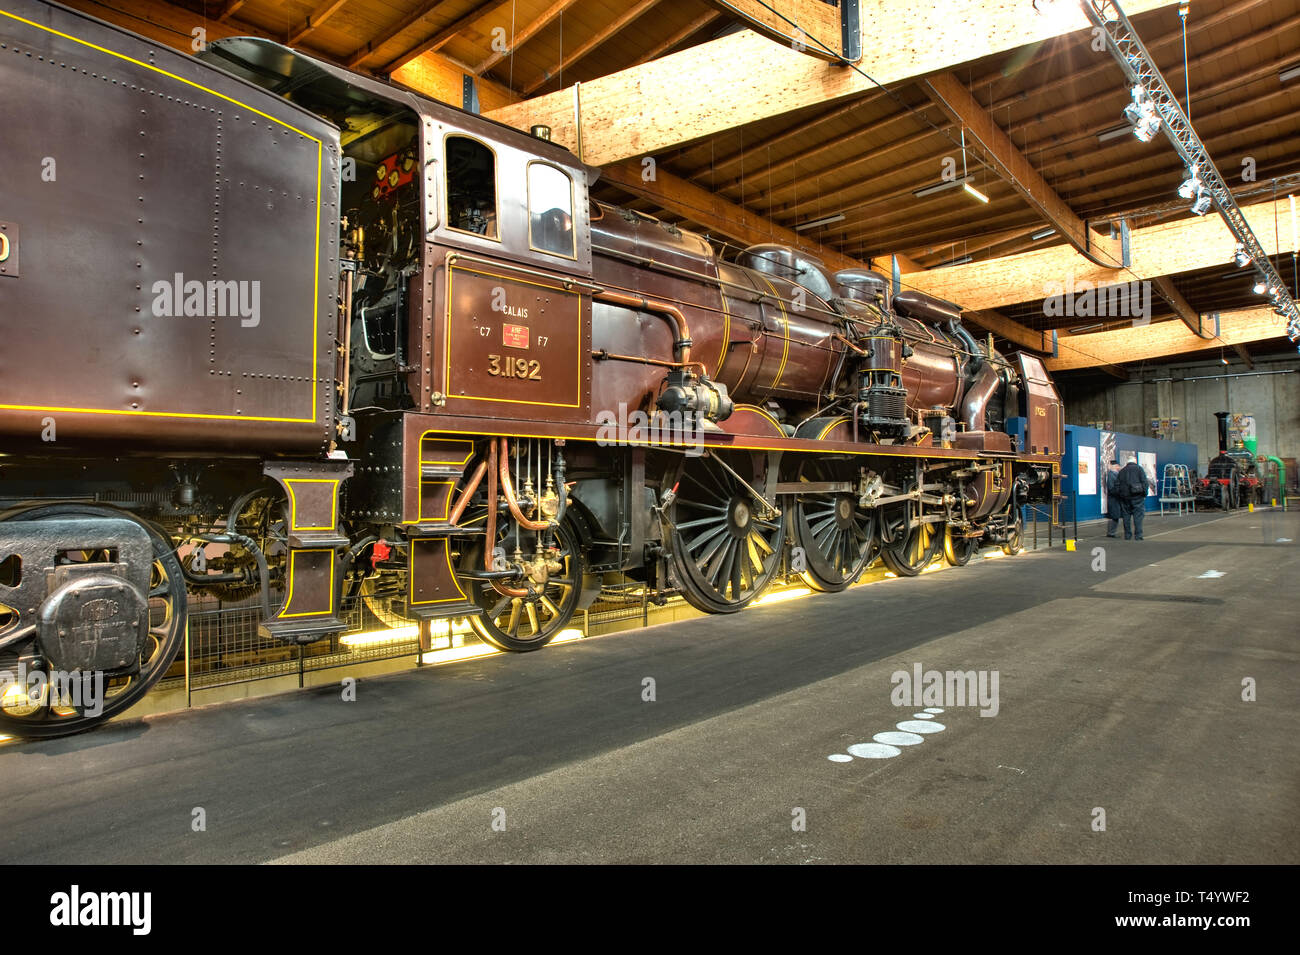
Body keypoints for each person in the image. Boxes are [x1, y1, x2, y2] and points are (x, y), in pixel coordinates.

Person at [1117, 458, 1155, 540]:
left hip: (1125, 498)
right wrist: (1144, 494)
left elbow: (1117, 484)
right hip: (1137, 496)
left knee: (1126, 517)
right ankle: (1138, 535)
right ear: (1135, 462)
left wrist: (1121, 495)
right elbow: (1145, 482)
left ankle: (1127, 535)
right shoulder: (1139, 469)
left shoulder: (1122, 471)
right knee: (1138, 517)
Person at [1104, 460, 1123, 537]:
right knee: (1114, 516)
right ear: (1115, 466)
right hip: (1114, 499)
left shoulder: (1115, 474)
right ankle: (1111, 533)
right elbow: (1111, 488)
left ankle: (1112, 532)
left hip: (1115, 499)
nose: (1119, 467)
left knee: (1115, 516)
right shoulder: (1112, 475)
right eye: (1118, 465)